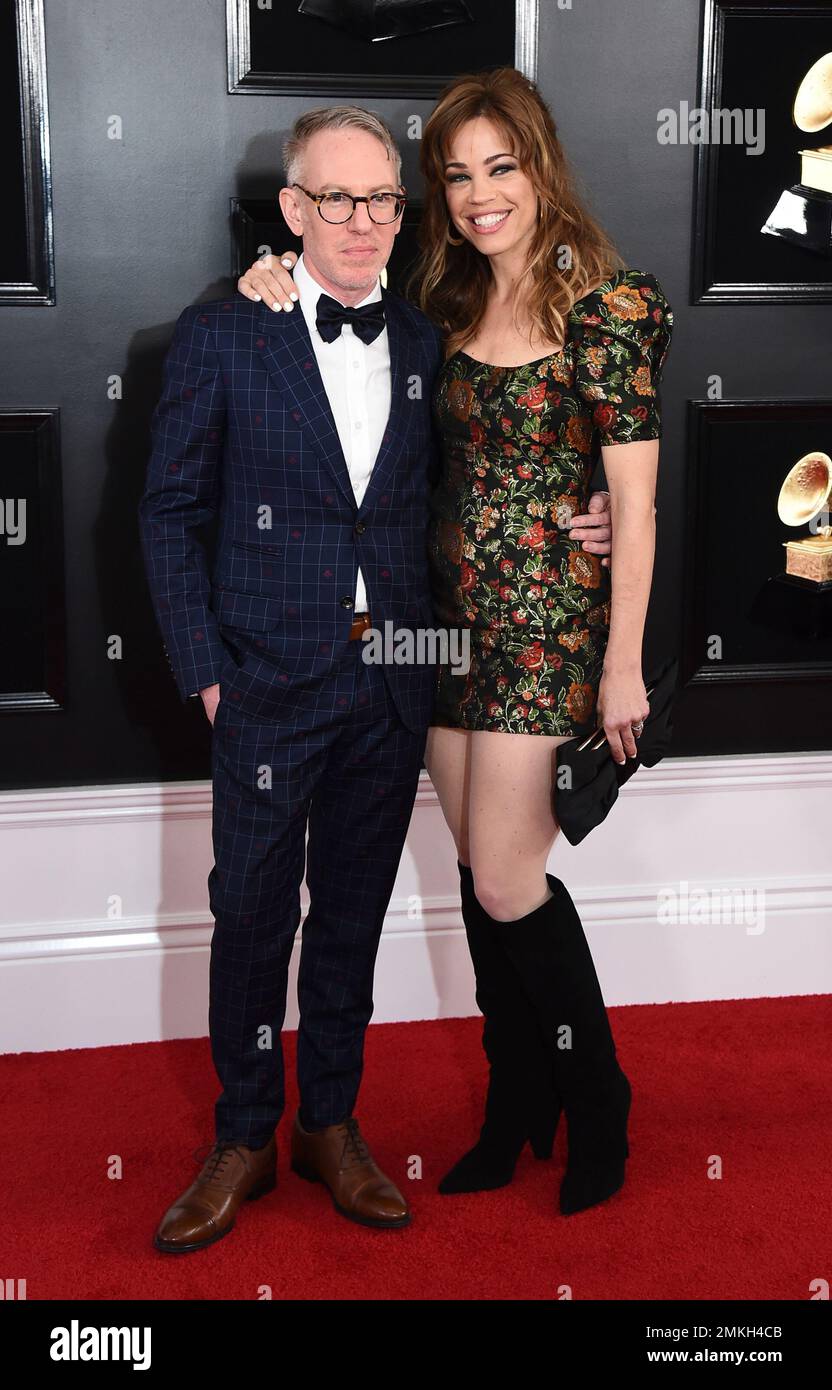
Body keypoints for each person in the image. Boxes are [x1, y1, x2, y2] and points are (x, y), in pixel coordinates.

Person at [139, 98, 616, 1252]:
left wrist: (580, 514)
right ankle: (245, 1132)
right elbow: (166, 510)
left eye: (382, 199)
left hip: (396, 678)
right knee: (251, 916)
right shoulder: (223, 330)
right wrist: (208, 673)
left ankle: (332, 1125)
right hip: (262, 683)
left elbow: (492, 469)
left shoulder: (424, 338)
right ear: (294, 209)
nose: (362, 221)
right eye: (335, 198)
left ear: (404, 214)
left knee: (349, 915)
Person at [237, 68, 673, 1217]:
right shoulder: (438, 290)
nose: (480, 193)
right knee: (479, 888)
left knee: (509, 874)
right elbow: (342, 345)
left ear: (540, 164)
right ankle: (512, 1101)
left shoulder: (608, 304)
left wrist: (621, 664)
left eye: (501, 166)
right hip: (438, 632)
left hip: (543, 629)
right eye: (457, 173)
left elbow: (632, 503)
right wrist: (268, 277)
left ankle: (599, 1100)